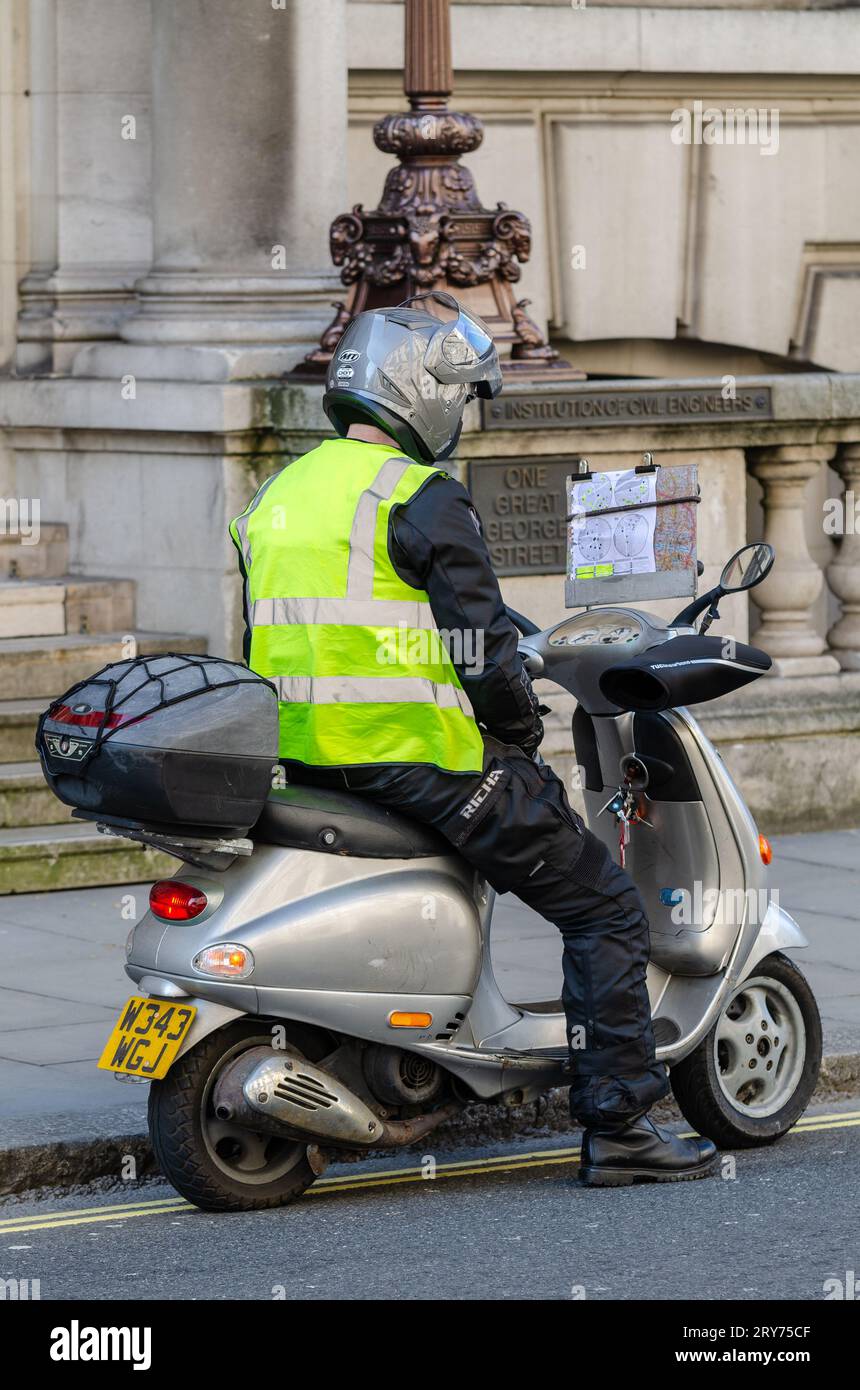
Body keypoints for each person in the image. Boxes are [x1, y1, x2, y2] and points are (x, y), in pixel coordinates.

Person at [230, 292, 717, 1185]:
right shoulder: (422, 497)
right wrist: (522, 736)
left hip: (307, 764)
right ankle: (622, 1128)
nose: (463, 413)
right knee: (604, 905)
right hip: (423, 764)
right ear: (417, 390)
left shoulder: (276, 497)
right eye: (460, 393)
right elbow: (486, 656)